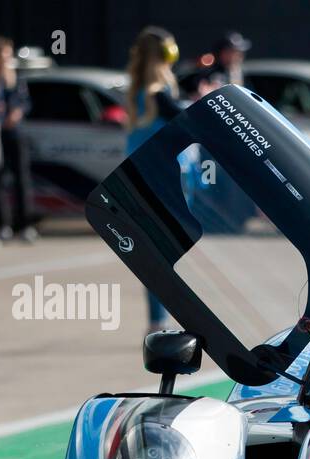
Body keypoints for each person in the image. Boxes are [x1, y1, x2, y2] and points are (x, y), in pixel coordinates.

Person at [125, 26, 184, 331]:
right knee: (162, 257)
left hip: (139, 181)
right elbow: (186, 121)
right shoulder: (158, 94)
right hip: (159, 183)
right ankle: (160, 321)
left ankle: (156, 320)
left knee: (154, 256)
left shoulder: (137, 90)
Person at [0, 37, 36, 241]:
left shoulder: (15, 78)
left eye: (8, 55)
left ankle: (25, 225)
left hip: (15, 134)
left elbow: (25, 103)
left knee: (21, 178)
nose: (6, 59)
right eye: (3, 55)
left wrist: (17, 113)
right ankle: (3, 223)